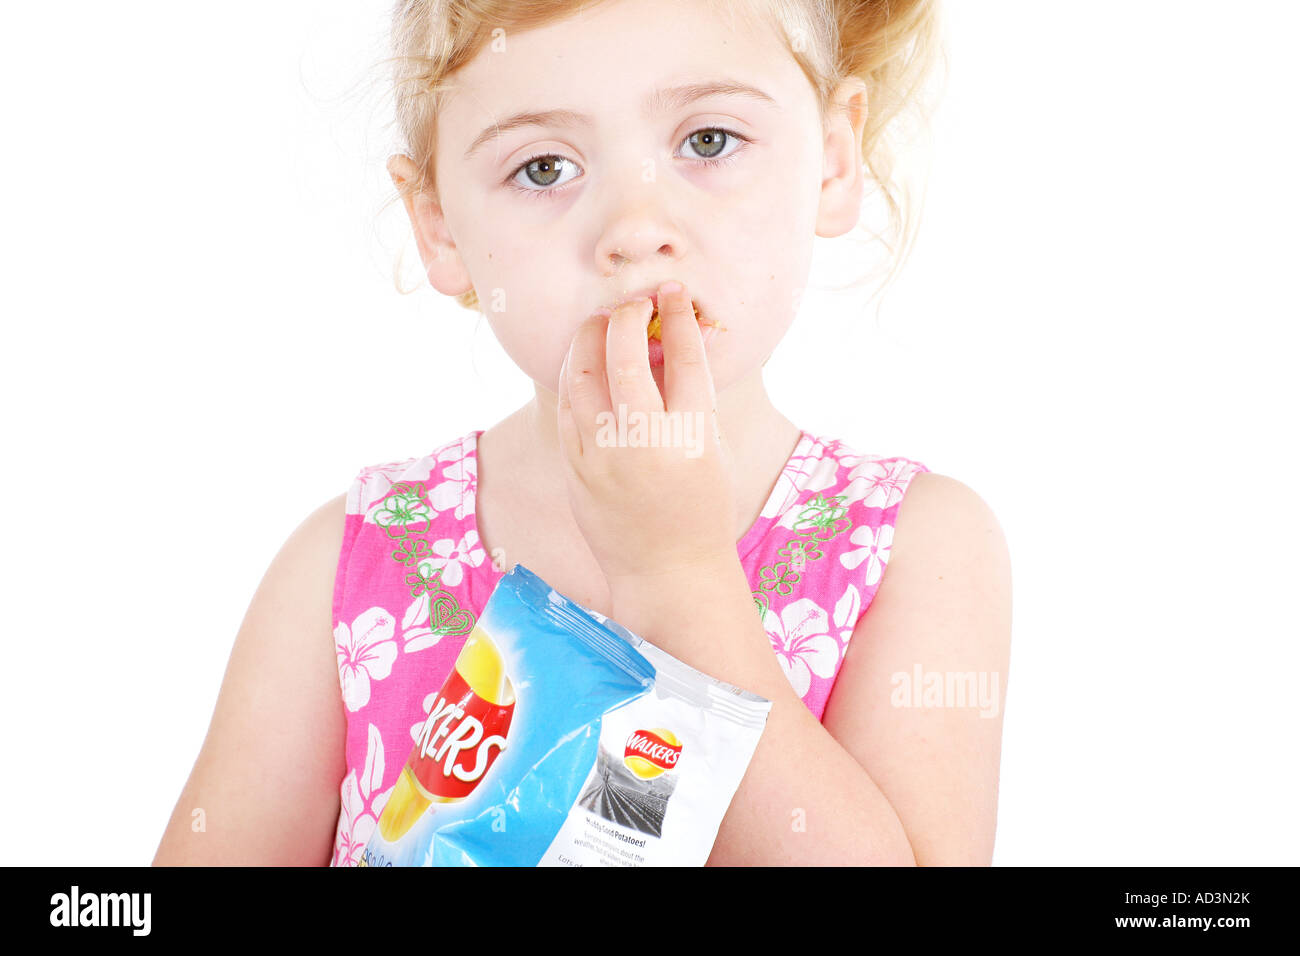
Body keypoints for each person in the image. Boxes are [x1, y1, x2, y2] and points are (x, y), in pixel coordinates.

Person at [153, 0, 1011, 867]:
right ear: (440, 226)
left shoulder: (912, 548)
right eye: (544, 167)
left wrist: (675, 574)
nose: (635, 230)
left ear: (833, 161)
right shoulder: (356, 563)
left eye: (708, 140)